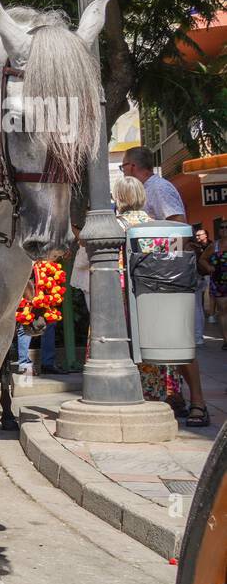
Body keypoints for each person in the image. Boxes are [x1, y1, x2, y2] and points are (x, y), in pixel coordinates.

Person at [120, 149, 209, 425]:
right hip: (151, 275)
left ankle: (199, 403)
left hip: (168, 277)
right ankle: (177, 397)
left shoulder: (159, 189)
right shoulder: (147, 190)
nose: (122, 170)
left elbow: (178, 231)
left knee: (177, 341)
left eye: (123, 166)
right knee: (162, 342)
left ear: (133, 166)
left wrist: (146, 244)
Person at [200, 220, 227, 347]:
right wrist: (209, 267)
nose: (224, 229)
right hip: (219, 282)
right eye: (222, 227)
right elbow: (202, 259)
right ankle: (226, 340)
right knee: (223, 311)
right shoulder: (214, 246)